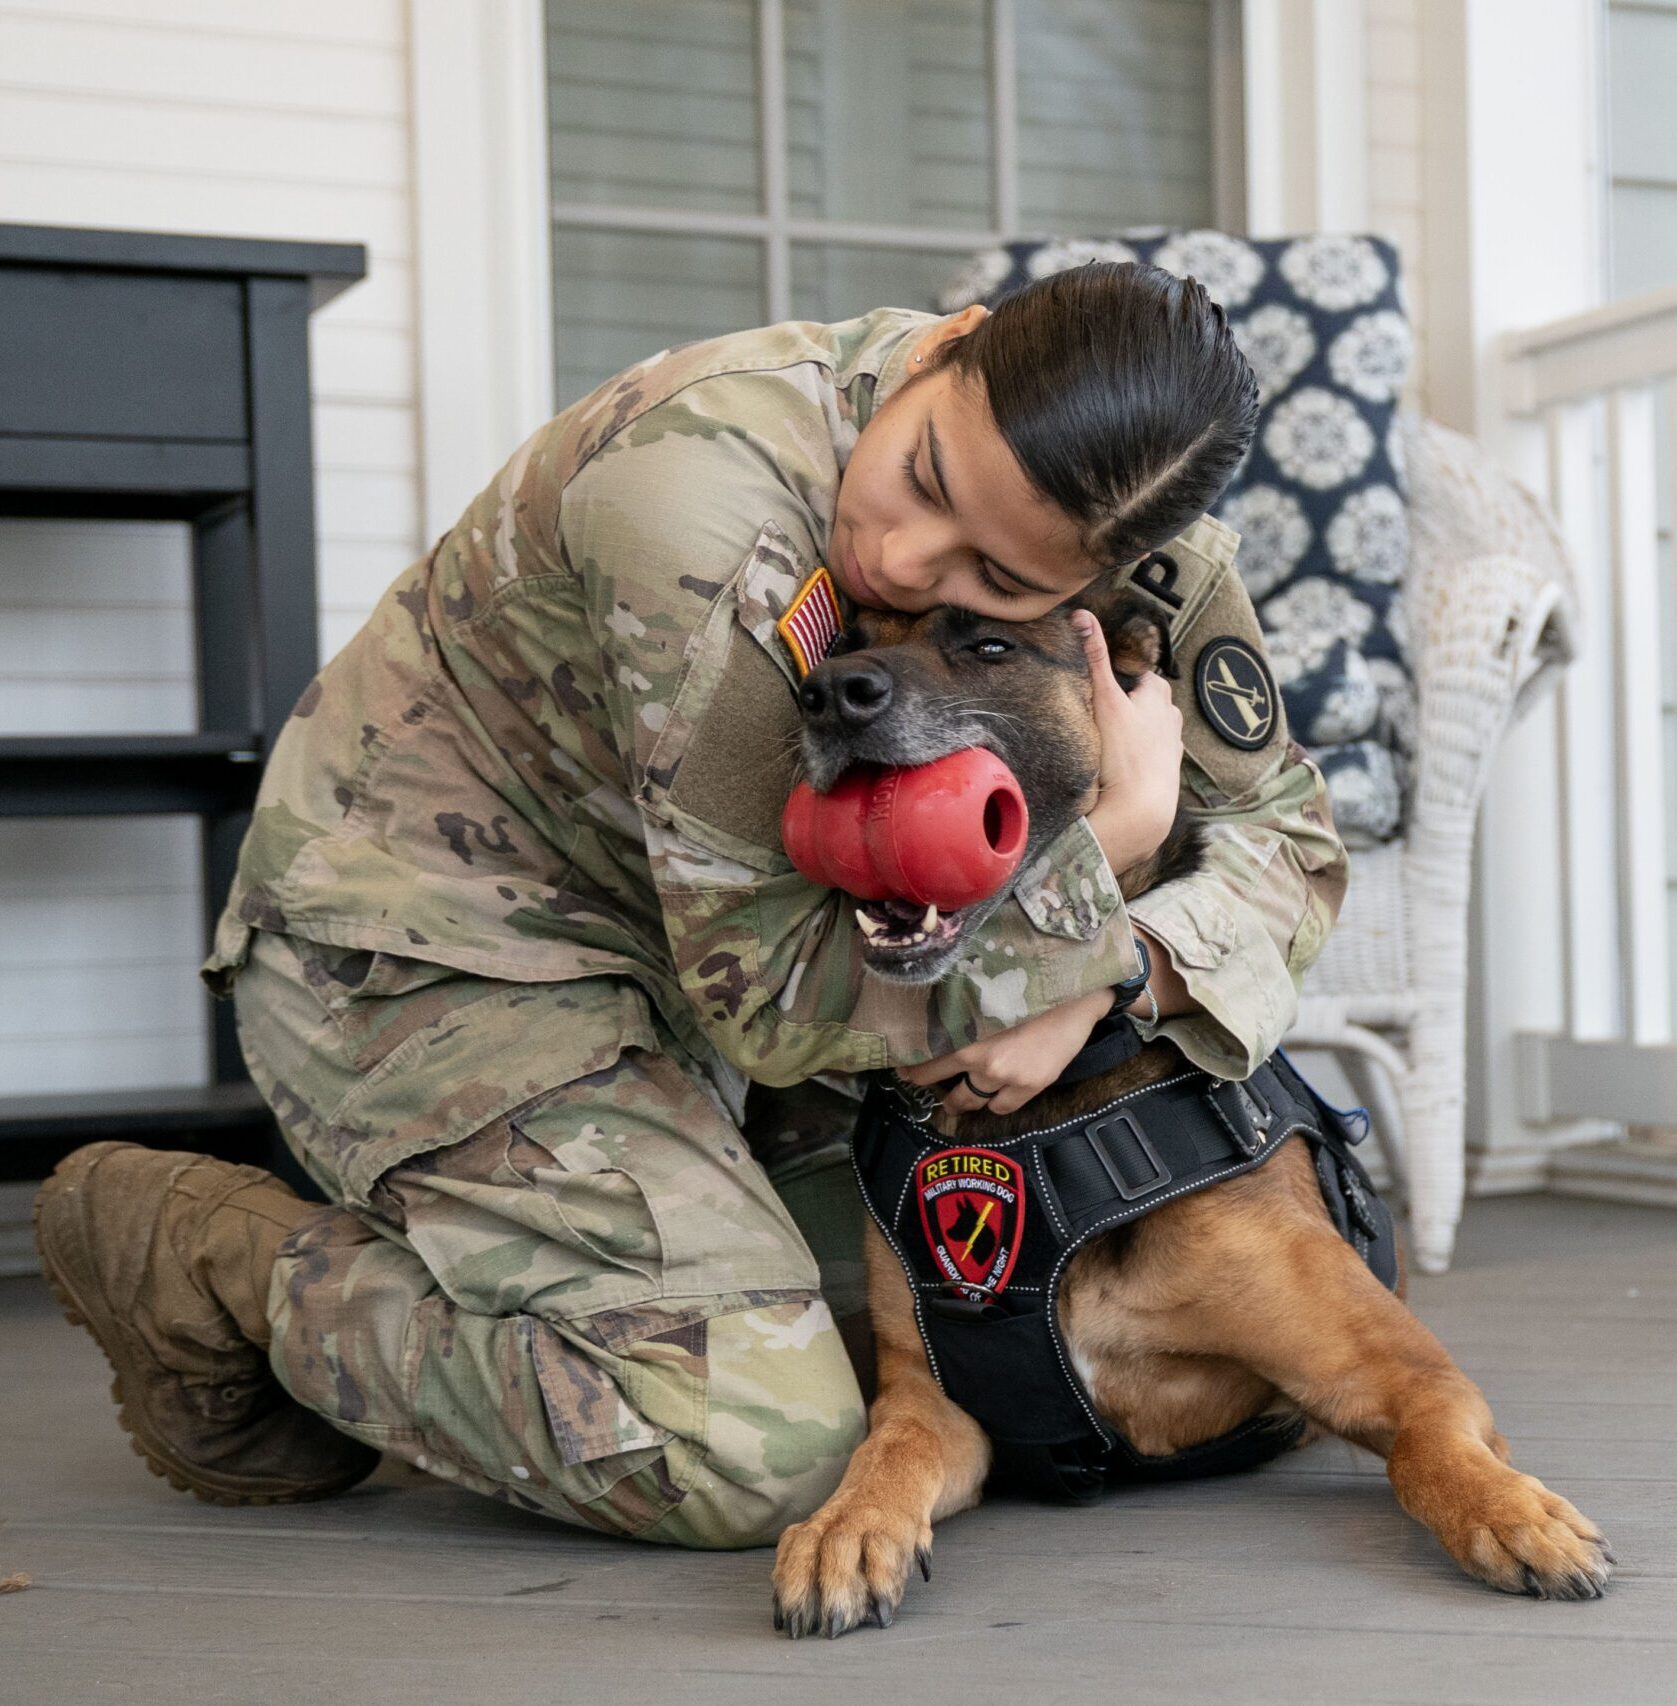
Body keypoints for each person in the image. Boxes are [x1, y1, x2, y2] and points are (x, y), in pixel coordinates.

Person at [34, 263, 1347, 1546]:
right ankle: (226, 1269)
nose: (896, 555)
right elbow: (769, 1001)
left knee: (980, 1325)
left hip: (730, 993)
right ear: (950, 340)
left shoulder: (1126, 535)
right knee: (756, 1437)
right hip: (442, 953)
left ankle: (525, 1285)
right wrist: (1101, 873)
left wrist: (1122, 978)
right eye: (921, 478)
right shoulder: (698, 504)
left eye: (997, 586)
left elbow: (1289, 838)